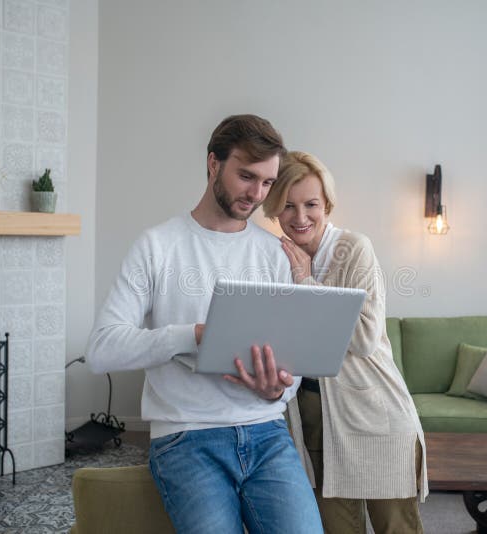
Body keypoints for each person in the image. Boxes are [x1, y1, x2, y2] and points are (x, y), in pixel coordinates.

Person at [85, 116, 323, 534]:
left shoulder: (273, 254)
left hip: (267, 434)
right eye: (246, 176)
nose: (256, 194)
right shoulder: (157, 246)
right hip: (186, 439)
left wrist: (279, 389)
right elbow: (102, 349)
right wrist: (193, 335)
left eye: (267, 183)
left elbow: (293, 359)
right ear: (213, 163)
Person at [262, 151, 428, 534]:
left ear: (327, 205)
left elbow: (365, 337)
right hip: (316, 423)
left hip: (375, 417)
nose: (299, 217)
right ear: (273, 209)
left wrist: (306, 283)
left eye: (310, 204)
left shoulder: (354, 249)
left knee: (396, 529)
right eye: (287, 206)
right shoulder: (276, 258)